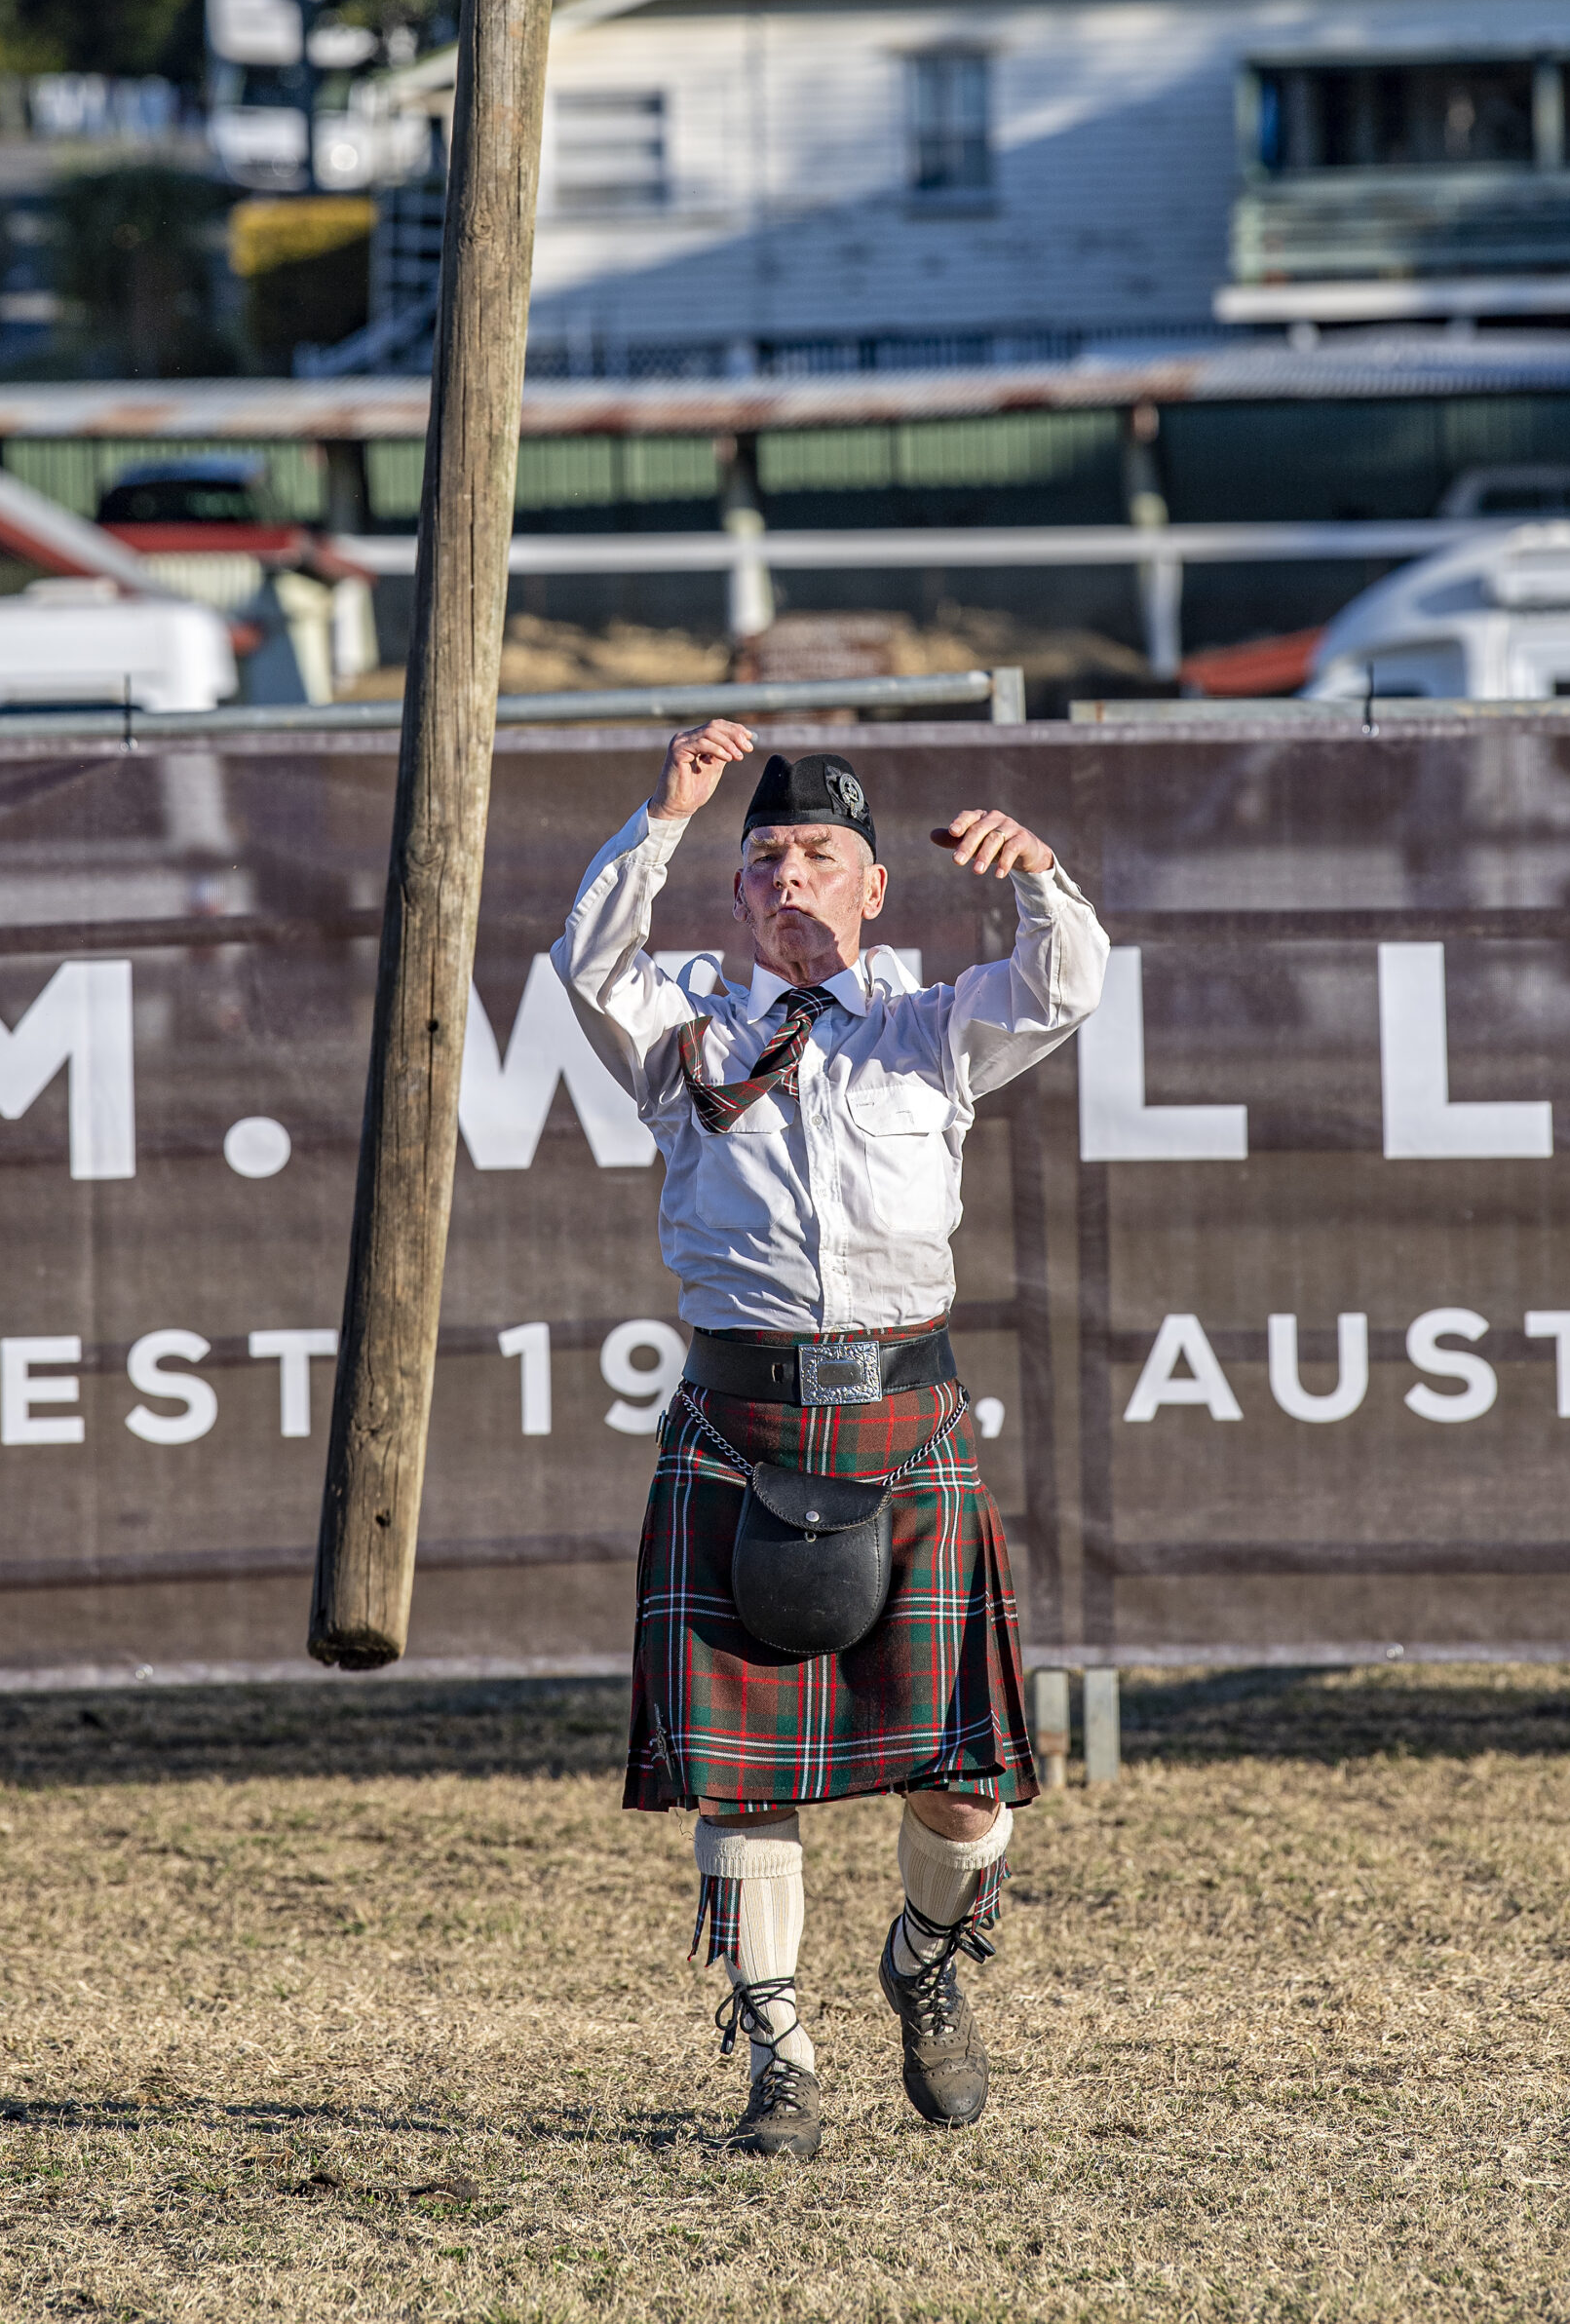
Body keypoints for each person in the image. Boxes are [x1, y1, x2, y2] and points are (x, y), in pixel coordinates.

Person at [554, 722, 1108, 2158]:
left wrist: (1040, 873)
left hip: (902, 1415)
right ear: (737, 897)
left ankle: (924, 1954)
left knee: (966, 1777)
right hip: (741, 1419)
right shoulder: (681, 1026)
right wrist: (663, 817)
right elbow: (586, 968)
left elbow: (1067, 983)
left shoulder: (931, 1024)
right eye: (765, 861)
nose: (789, 878)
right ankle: (780, 2062)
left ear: (873, 893)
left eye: (820, 859)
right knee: (745, 1774)